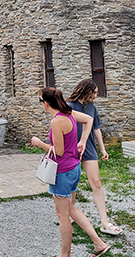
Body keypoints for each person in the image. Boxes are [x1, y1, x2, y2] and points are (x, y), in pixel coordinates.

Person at [31, 87, 110, 257]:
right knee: (71, 208)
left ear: (46, 104)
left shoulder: (57, 121)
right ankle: (98, 243)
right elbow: (88, 120)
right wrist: (82, 141)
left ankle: (65, 254)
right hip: (74, 168)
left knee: (63, 215)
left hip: (63, 172)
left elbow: (58, 152)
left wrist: (39, 143)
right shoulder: (70, 114)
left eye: (40, 101)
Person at [67, 79, 123, 236]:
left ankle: (105, 223)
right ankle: (71, 213)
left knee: (96, 183)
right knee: (72, 184)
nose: (97, 96)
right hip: (72, 149)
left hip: (89, 148)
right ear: (87, 91)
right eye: (95, 92)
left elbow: (96, 129)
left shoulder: (92, 107)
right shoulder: (70, 106)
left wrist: (103, 149)